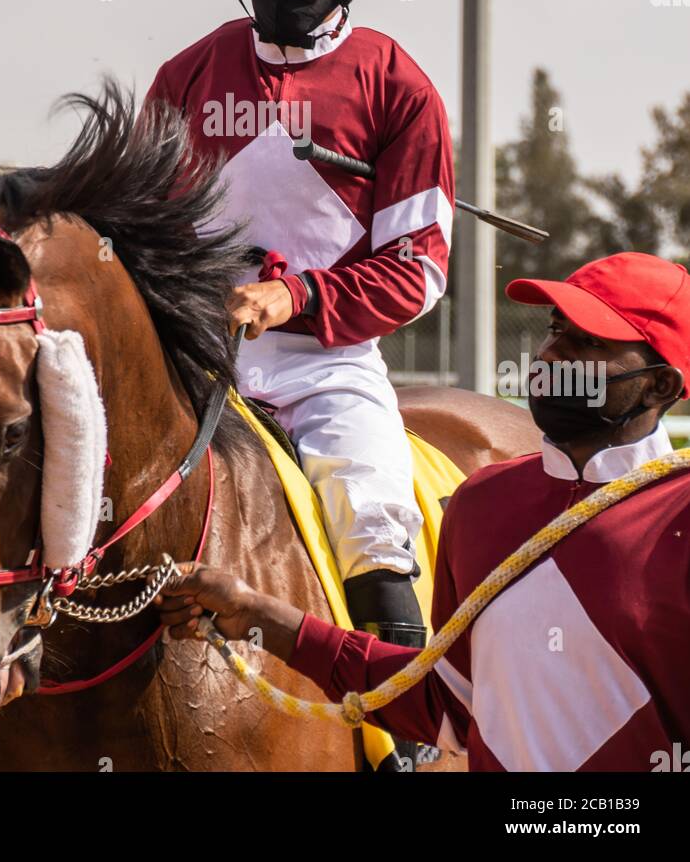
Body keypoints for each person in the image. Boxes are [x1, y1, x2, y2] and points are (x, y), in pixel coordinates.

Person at [142, 0, 455, 768]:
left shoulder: (399, 88)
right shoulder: (185, 78)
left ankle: (413, 740)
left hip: (326, 369)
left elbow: (420, 268)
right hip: (193, 364)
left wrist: (294, 299)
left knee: (371, 510)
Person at [156, 252, 690, 772]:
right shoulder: (483, 501)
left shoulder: (679, 515)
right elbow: (445, 705)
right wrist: (257, 615)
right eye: (556, 330)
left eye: (588, 343)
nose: (552, 355)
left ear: (661, 384)